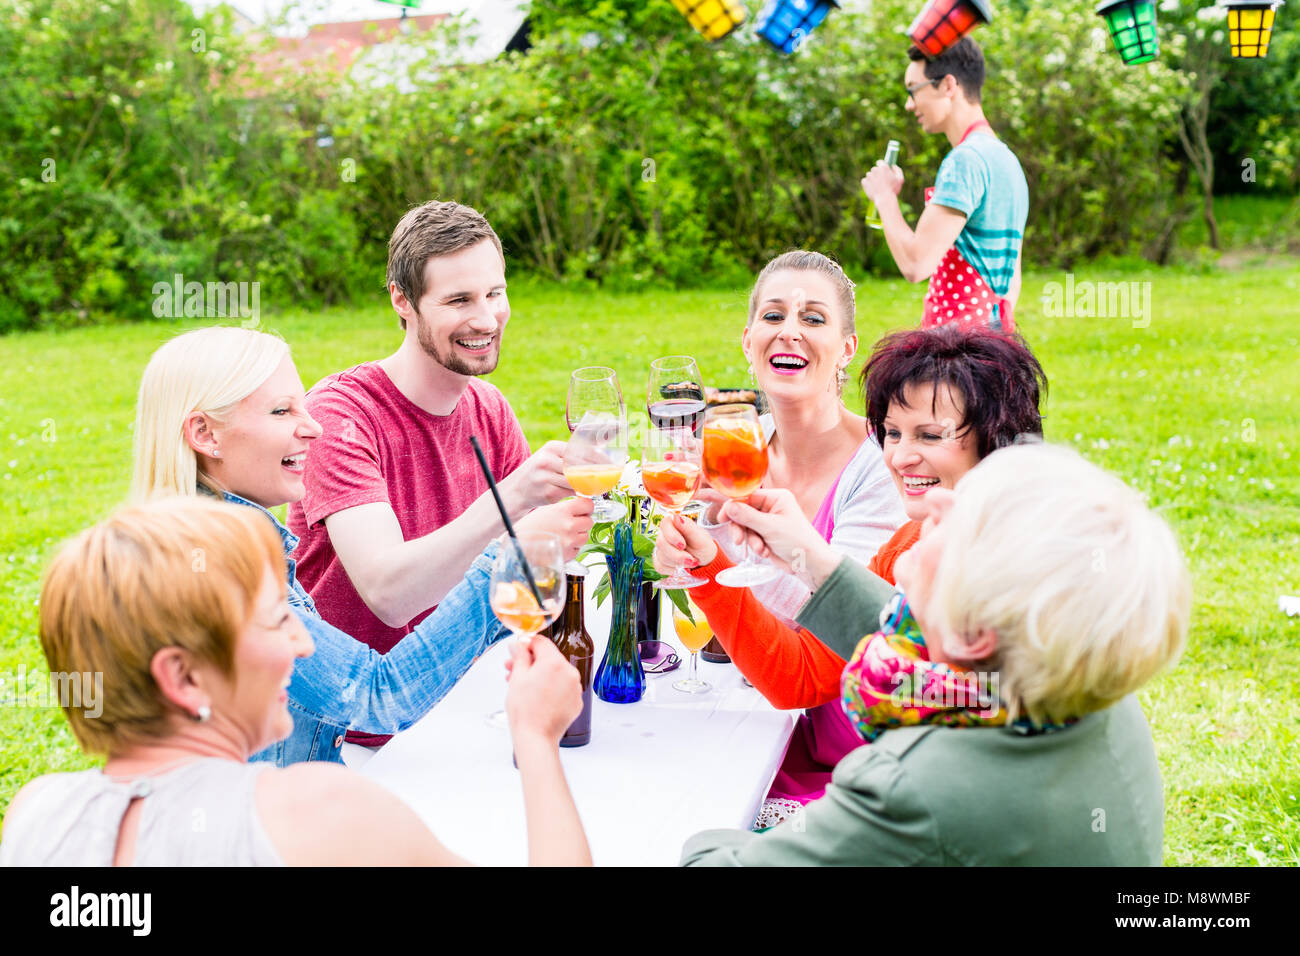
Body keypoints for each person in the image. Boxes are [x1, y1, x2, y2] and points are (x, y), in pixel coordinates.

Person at [0, 498, 590, 866]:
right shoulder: (317, 814)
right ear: (182, 677)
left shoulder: (35, 816)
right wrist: (536, 741)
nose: (305, 644)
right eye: (280, 617)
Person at [680, 442, 1190, 865]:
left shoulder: (916, 789)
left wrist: (704, 820)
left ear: (974, 630)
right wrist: (807, 555)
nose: (942, 502)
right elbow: (931, 633)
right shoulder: (1074, 675)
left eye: (970, 521)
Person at [657, 324, 1047, 825]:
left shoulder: (1012, 575)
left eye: (930, 435)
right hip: (834, 784)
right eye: (892, 432)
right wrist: (710, 563)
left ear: (994, 441)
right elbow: (797, 677)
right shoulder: (906, 543)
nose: (901, 457)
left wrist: (808, 555)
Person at [287, 200, 593, 748]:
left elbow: (526, 570)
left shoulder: (488, 407)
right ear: (402, 300)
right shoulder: (342, 414)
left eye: (494, 294)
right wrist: (511, 499)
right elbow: (389, 593)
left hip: (460, 711)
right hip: (355, 739)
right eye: (458, 300)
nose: (485, 319)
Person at [132, 326, 512, 766]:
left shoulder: (194, 539)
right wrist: (501, 565)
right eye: (282, 411)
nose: (314, 428)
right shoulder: (219, 572)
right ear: (205, 434)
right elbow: (379, 697)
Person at [861, 38, 1029, 332]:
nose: (909, 103)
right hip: (995, 340)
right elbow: (1012, 274)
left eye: (914, 90)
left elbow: (916, 264)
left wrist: (884, 196)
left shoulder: (965, 160)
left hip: (957, 349)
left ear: (948, 86)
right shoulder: (1006, 159)